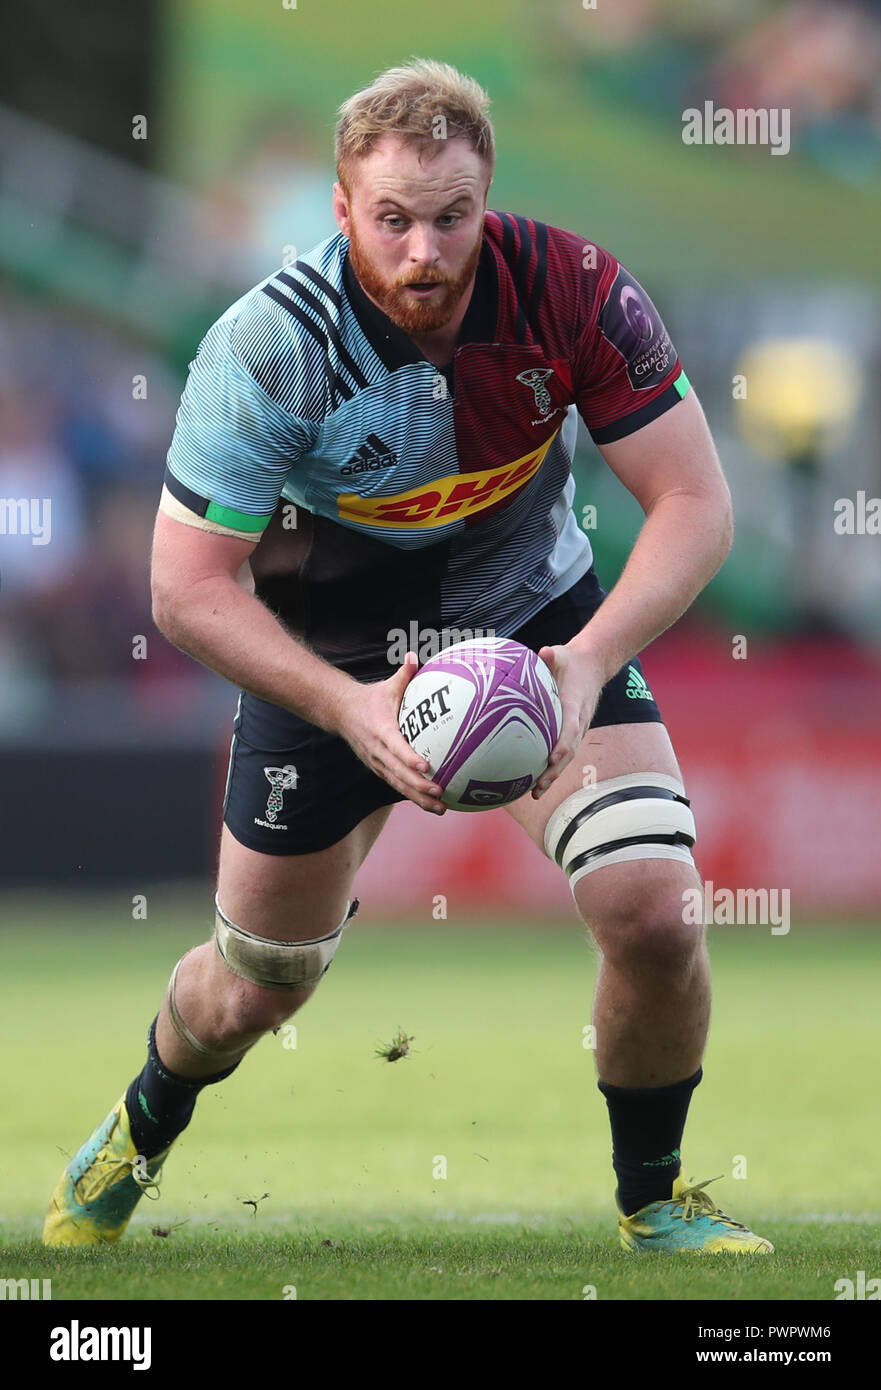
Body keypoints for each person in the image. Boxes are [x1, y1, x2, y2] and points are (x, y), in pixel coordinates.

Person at [44, 58, 771, 1255]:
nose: (424, 251)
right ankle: (142, 1122)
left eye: (450, 217)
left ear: (487, 197)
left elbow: (695, 503)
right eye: (391, 220)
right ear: (340, 210)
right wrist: (345, 706)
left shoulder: (577, 291)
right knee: (253, 989)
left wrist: (586, 661)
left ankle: (654, 1202)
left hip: (533, 623)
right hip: (323, 658)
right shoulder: (269, 345)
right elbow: (183, 590)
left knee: (651, 908)